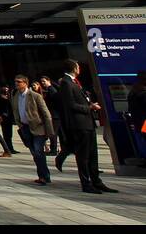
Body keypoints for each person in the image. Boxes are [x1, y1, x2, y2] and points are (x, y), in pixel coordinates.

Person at [56, 60, 117, 195]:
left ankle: (97, 181)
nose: (79, 69)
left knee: (93, 154)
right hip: (79, 125)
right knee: (83, 156)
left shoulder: (74, 82)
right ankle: (86, 183)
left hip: (88, 123)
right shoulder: (66, 83)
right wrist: (89, 107)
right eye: (77, 66)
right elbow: (70, 105)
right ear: (74, 68)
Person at [11, 75, 55, 185]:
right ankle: (43, 175)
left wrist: (50, 132)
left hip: (38, 127)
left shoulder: (35, 96)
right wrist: (19, 124)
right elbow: (16, 111)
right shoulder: (16, 96)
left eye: (19, 82)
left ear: (25, 83)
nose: (16, 84)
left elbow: (46, 114)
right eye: (15, 82)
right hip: (25, 127)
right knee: (35, 153)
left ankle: (44, 177)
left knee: (38, 152)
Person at [0, 84, 16, 154]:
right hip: (3, 117)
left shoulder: (9, 97)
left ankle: (11, 148)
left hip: (9, 117)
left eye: (7, 88)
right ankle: (7, 148)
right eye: (4, 88)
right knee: (6, 133)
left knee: (9, 133)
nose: (6, 90)